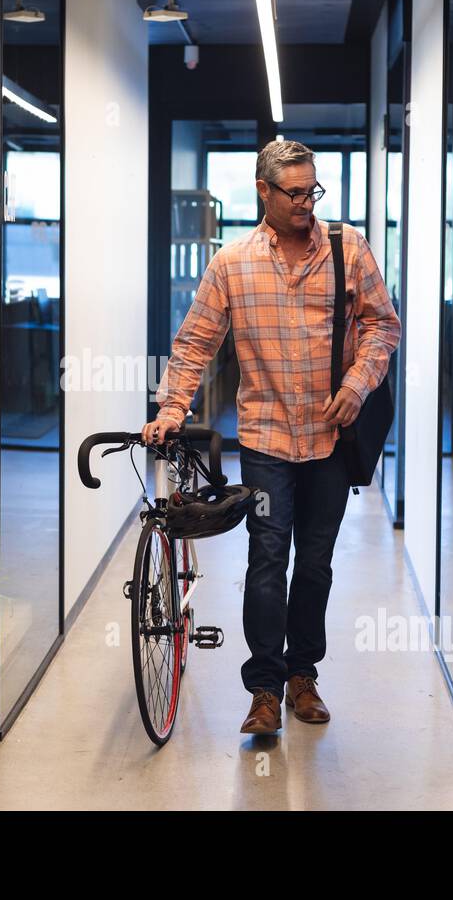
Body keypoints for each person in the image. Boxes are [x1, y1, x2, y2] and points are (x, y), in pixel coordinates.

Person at [145, 139, 400, 734]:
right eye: (294, 192)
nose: (306, 202)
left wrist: (358, 385)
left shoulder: (347, 247)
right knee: (266, 560)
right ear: (263, 191)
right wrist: (172, 408)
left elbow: (382, 326)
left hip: (331, 442)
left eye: (313, 190)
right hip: (264, 441)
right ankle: (263, 688)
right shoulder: (232, 264)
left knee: (314, 564)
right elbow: (195, 342)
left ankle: (302, 676)